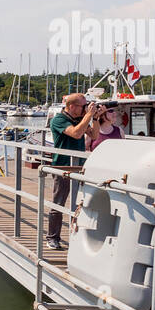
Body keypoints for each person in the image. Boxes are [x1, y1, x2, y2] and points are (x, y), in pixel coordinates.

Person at [45, 93, 94, 250]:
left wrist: (96, 118)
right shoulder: (59, 120)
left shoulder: (80, 119)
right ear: (72, 106)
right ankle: (52, 237)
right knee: (58, 203)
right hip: (63, 166)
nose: (85, 108)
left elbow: (94, 134)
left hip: (79, 166)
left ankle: (78, 238)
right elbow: (76, 133)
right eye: (83, 106)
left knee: (81, 203)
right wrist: (89, 115)